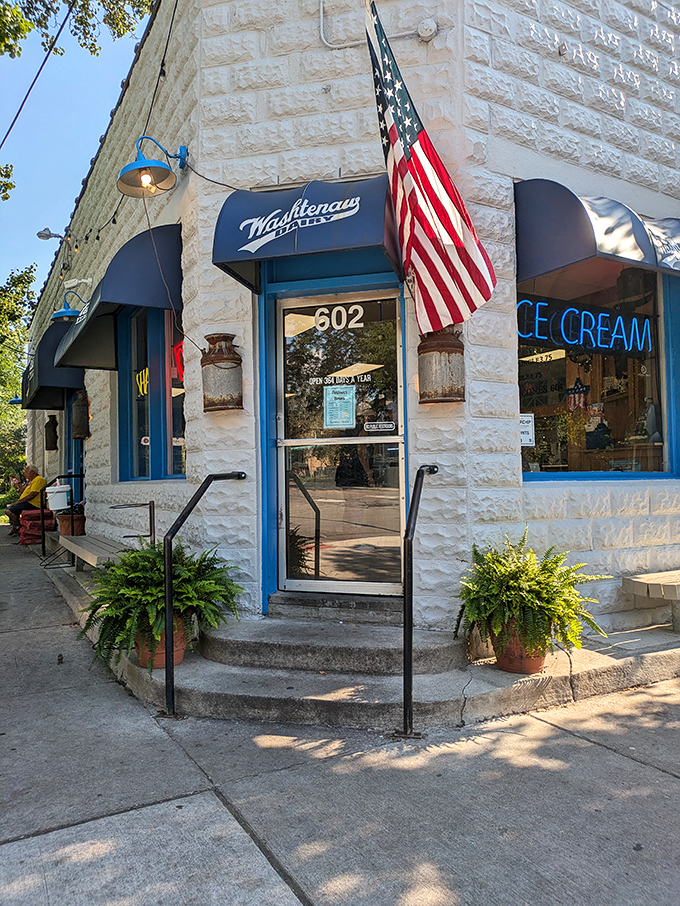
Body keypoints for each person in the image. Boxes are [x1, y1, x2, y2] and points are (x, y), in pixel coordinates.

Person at [5, 465, 47, 536]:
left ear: (33, 472)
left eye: (26, 472)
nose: (25, 473)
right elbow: (22, 491)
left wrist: (17, 502)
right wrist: (18, 486)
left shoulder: (39, 480)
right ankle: (16, 526)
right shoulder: (32, 481)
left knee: (8, 511)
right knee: (9, 509)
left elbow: (32, 495)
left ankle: (17, 526)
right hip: (28, 502)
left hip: (33, 504)